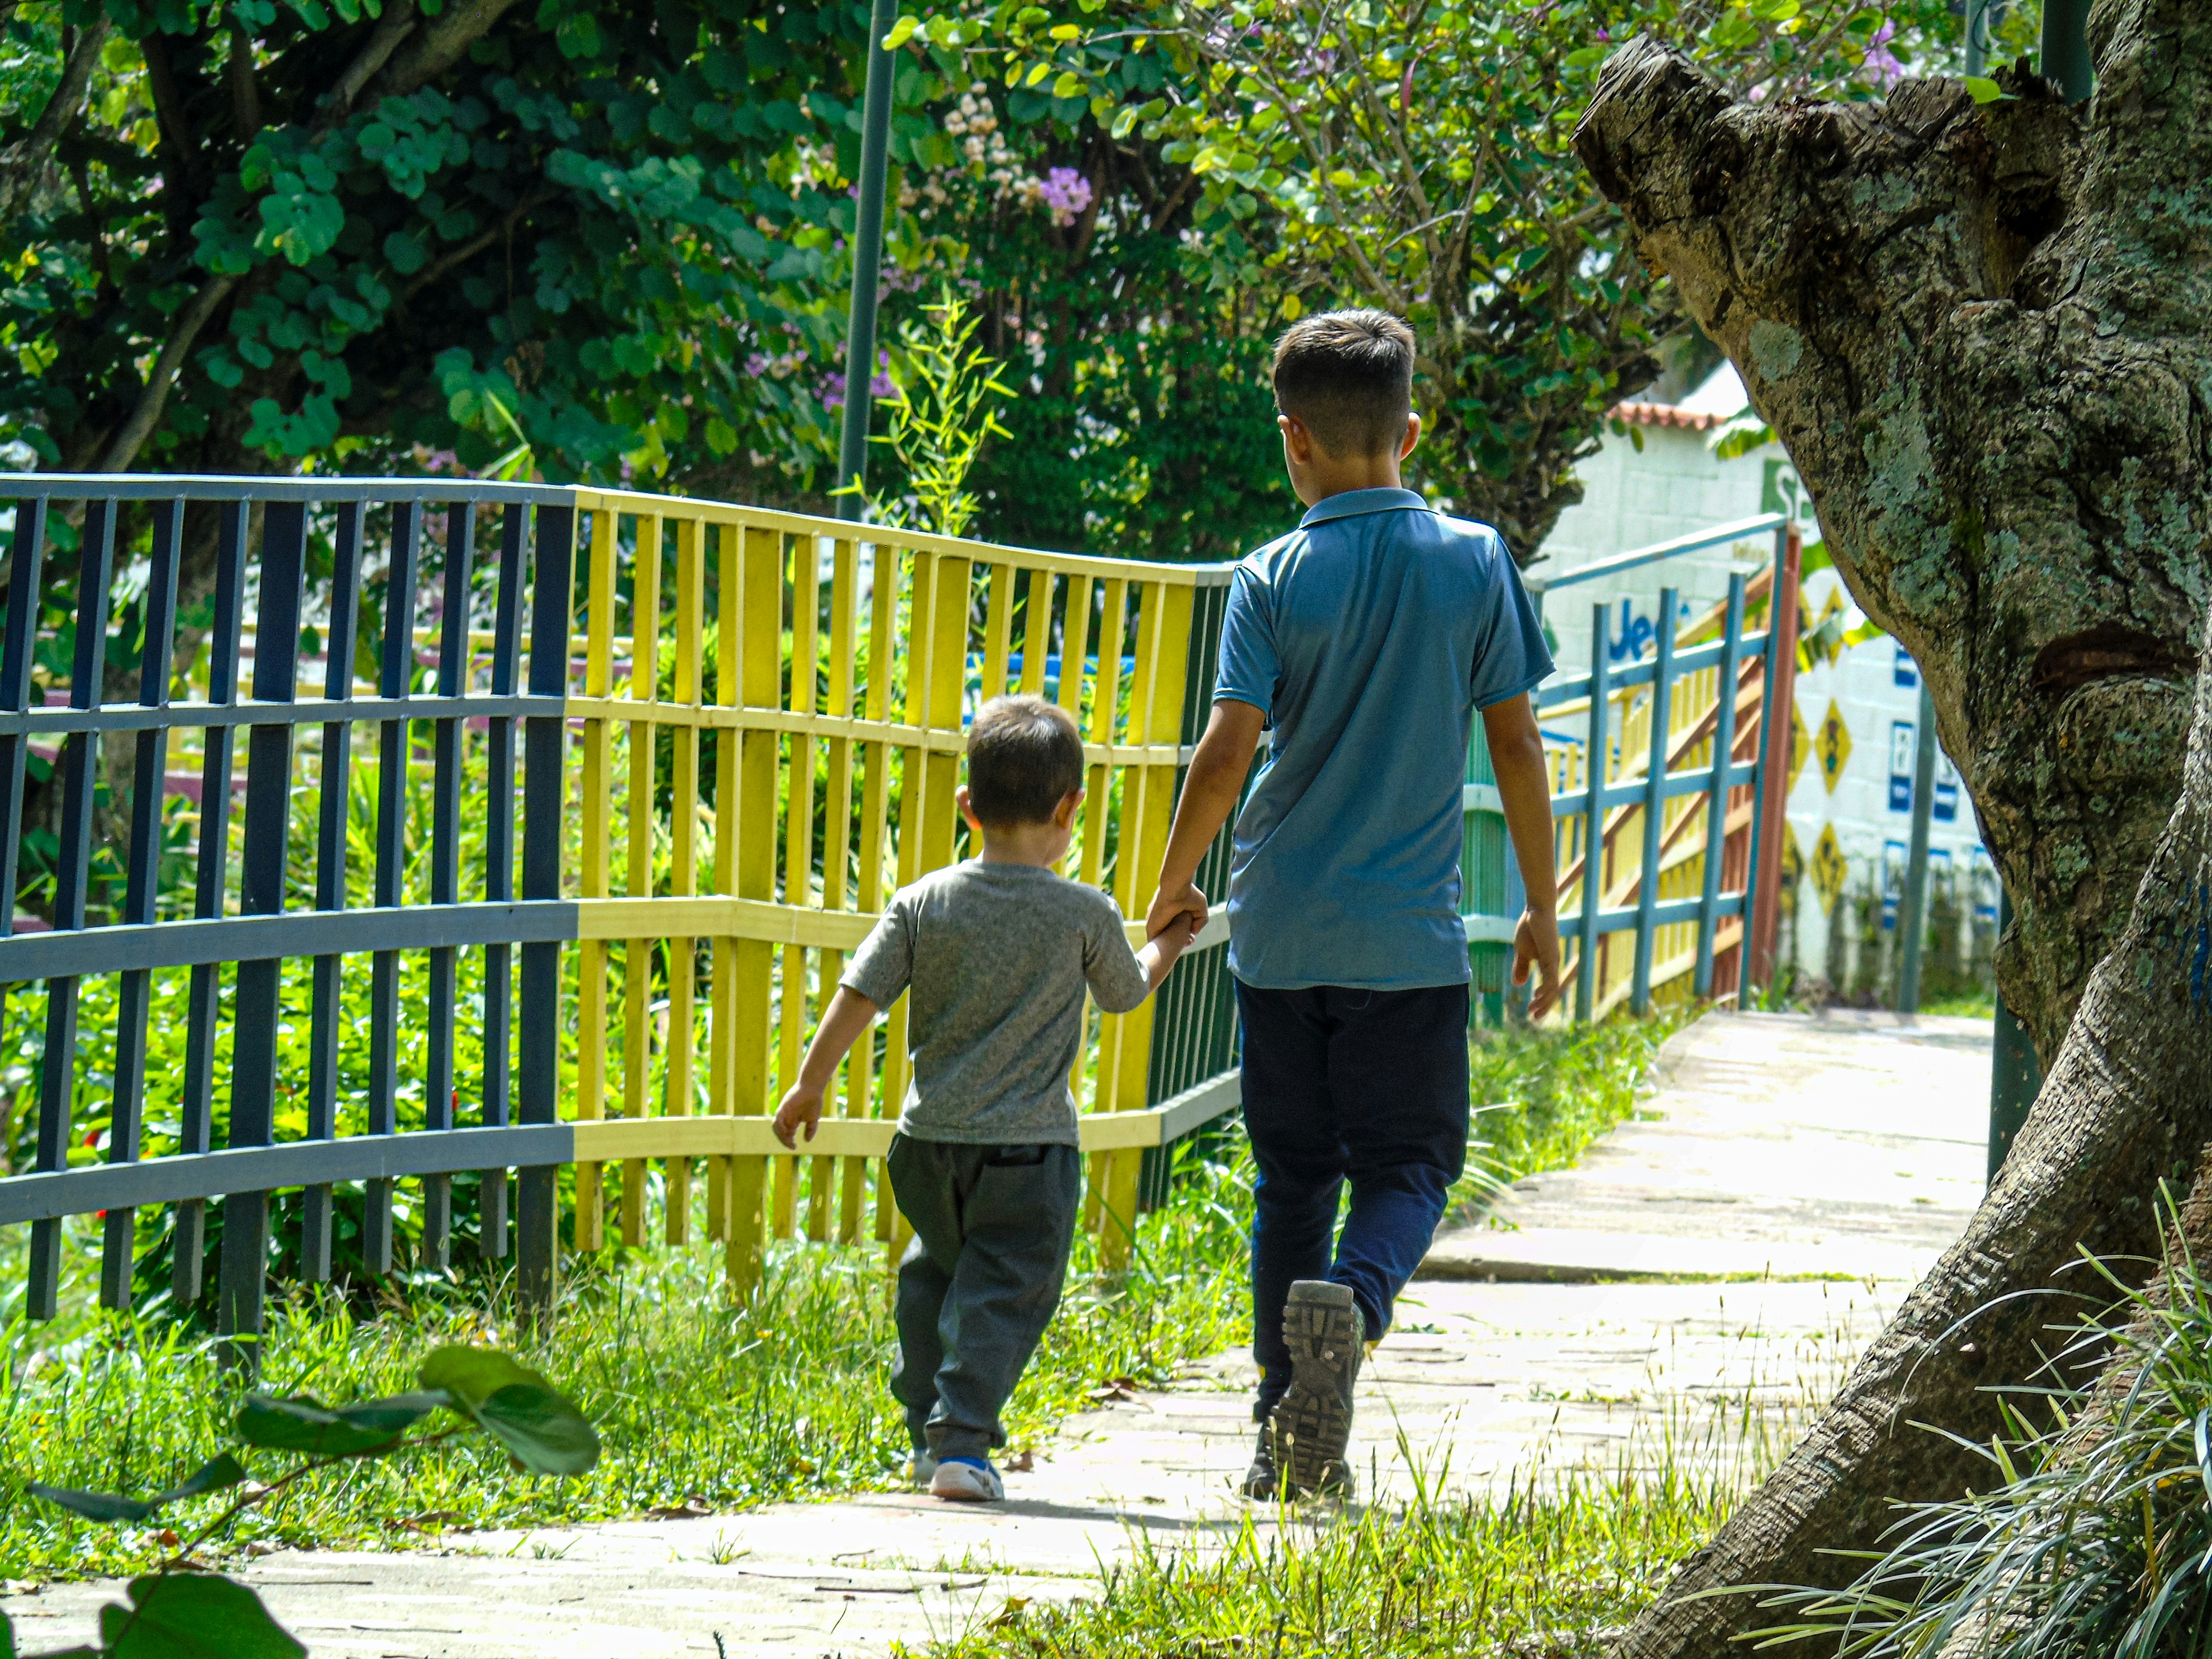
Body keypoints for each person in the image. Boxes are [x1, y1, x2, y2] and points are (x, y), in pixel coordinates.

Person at [1144, 308, 1565, 1501]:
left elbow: (1224, 755)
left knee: (1292, 1176)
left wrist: (1174, 892)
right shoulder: (1476, 561)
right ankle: (1359, 1301)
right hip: (1408, 942)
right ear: (1410, 432)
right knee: (1415, 1166)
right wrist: (1542, 907)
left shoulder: (1271, 574)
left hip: (1278, 933)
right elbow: (1520, 748)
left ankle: (1282, 1433)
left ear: (1295, 445)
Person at [774, 694, 1197, 1503]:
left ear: (968, 807)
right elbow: (1126, 993)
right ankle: (963, 1443)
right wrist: (1171, 939)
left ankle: (925, 1438)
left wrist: (810, 1080)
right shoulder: (1084, 912)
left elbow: (860, 994)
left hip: (926, 1145)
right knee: (1008, 1286)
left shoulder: (923, 901)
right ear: (1073, 808)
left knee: (934, 1274)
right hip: (1029, 1152)